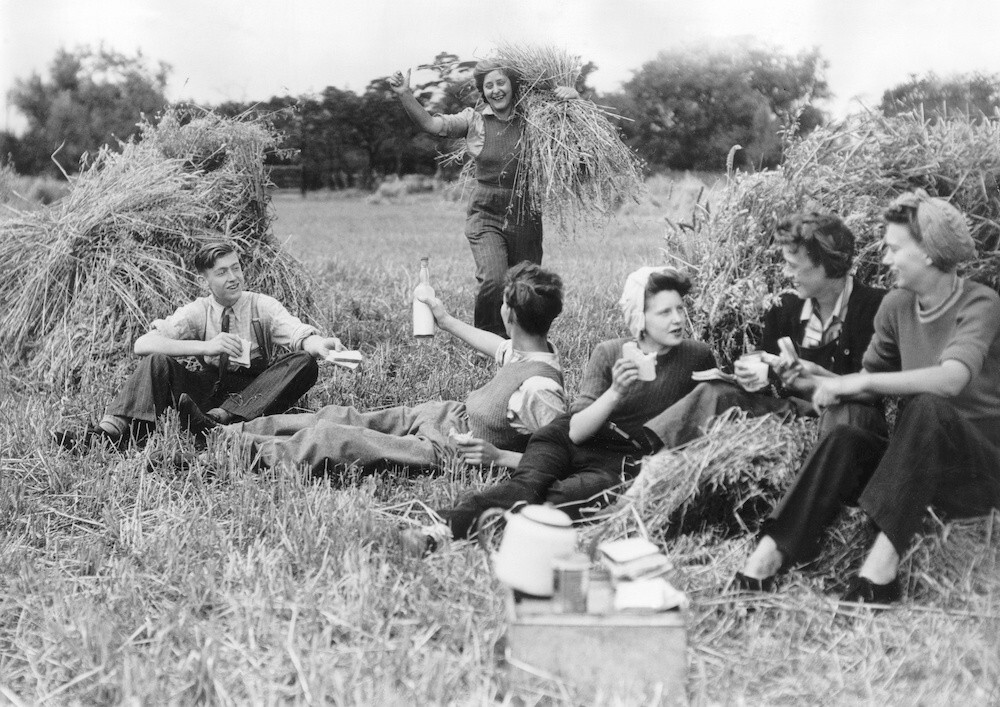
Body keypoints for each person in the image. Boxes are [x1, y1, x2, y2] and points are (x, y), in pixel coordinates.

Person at [734, 190, 1000, 604]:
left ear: (928, 252)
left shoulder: (981, 302)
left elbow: (951, 380)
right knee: (852, 418)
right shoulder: (896, 306)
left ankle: (880, 570)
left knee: (929, 405)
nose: (887, 259)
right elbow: (865, 381)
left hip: (978, 470)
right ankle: (771, 553)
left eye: (895, 249)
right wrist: (810, 375)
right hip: (919, 464)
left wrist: (855, 383)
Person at [401, 267, 717, 555]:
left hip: (619, 460)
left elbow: (708, 415)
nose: (677, 319)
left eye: (680, 308)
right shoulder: (609, 354)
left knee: (561, 500)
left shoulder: (697, 357)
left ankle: (506, 529)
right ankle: (439, 531)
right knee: (524, 487)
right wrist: (617, 391)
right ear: (639, 318)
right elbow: (577, 431)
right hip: (571, 438)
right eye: (664, 312)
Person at [218, 262, 566, 474]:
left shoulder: (540, 391)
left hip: (451, 450)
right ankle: (229, 431)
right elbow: (497, 346)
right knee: (340, 416)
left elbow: (562, 456)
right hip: (446, 415)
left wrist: (499, 457)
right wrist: (445, 321)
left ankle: (233, 452)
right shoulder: (530, 349)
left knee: (337, 438)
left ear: (510, 316)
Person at [53, 242, 345, 452]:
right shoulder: (198, 310)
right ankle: (109, 433)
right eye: (222, 272)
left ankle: (217, 422)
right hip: (206, 391)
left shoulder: (262, 305)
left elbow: (297, 333)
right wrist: (206, 346)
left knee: (304, 362)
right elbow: (143, 343)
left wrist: (321, 345)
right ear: (204, 279)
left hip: (253, 393)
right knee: (156, 361)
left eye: (236, 268)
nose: (233, 277)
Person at [640, 211, 886, 453]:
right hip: (795, 415)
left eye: (792, 266)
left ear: (826, 265)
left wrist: (814, 377)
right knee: (714, 393)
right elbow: (770, 375)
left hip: (845, 419)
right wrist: (753, 375)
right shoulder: (785, 306)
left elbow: (874, 392)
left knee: (848, 415)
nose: (786, 274)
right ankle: (653, 469)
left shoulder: (876, 308)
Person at [388, 60, 579, 337]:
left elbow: (573, 131)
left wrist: (573, 98)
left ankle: (523, 341)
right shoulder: (474, 120)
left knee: (527, 285)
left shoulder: (534, 118)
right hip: (486, 211)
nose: (496, 90)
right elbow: (430, 124)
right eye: (488, 85)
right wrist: (405, 94)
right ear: (483, 92)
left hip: (525, 211)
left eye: (501, 82)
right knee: (493, 279)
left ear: (513, 86)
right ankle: (487, 339)